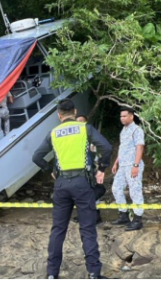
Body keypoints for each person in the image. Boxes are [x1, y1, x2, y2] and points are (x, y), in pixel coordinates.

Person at [32, 100, 112, 280]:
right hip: (82, 183)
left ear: (59, 115)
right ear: (74, 112)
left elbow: (37, 157)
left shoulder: (53, 133)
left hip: (61, 185)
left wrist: (50, 170)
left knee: (58, 229)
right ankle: (93, 273)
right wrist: (101, 169)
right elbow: (106, 147)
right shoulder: (85, 129)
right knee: (87, 229)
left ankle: (52, 274)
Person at [111, 107, 146, 231]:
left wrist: (135, 166)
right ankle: (123, 214)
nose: (122, 118)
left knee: (135, 191)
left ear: (131, 116)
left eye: (124, 116)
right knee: (116, 188)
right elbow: (123, 148)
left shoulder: (136, 130)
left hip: (132, 165)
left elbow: (140, 148)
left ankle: (137, 220)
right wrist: (116, 163)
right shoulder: (123, 130)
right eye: (121, 116)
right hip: (123, 165)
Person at [72, 115, 106, 225]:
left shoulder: (92, 137)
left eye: (82, 121)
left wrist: (100, 168)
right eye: (77, 122)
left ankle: (96, 216)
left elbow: (100, 152)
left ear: (86, 123)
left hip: (92, 170)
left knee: (94, 191)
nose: (80, 124)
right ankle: (83, 215)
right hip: (78, 171)